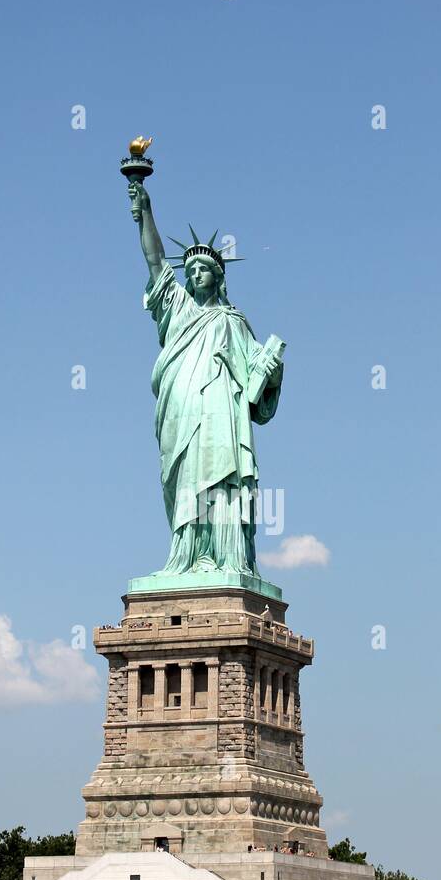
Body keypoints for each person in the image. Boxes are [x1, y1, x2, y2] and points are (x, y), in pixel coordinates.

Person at [127, 175, 284, 580]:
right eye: (191, 270)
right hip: (181, 410)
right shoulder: (177, 309)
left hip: (221, 415)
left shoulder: (233, 322)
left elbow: (257, 386)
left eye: (203, 270)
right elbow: (155, 260)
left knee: (222, 481)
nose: (195, 275)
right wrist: (144, 209)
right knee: (185, 479)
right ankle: (187, 556)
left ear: (218, 277)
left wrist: (272, 368)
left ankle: (227, 558)